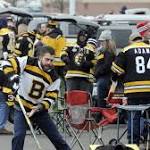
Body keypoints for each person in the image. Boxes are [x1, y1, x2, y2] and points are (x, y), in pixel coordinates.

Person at [2, 45, 71, 150]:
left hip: (39, 110)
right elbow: (6, 63)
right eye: (47, 59)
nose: (49, 63)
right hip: (21, 108)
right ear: (40, 57)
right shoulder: (28, 61)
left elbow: (51, 97)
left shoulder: (55, 78)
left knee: (57, 139)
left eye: (52, 60)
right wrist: (13, 76)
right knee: (19, 136)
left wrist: (40, 107)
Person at [111, 31, 150, 145]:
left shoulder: (126, 50)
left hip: (134, 91)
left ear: (130, 41)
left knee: (134, 117)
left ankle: (134, 143)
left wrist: (121, 78)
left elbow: (116, 69)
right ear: (141, 39)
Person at [94, 30, 116, 108]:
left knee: (101, 101)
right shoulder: (103, 52)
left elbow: (107, 66)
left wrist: (97, 73)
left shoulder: (109, 53)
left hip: (105, 78)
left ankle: (101, 114)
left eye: (102, 41)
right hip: (101, 78)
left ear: (107, 42)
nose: (101, 43)